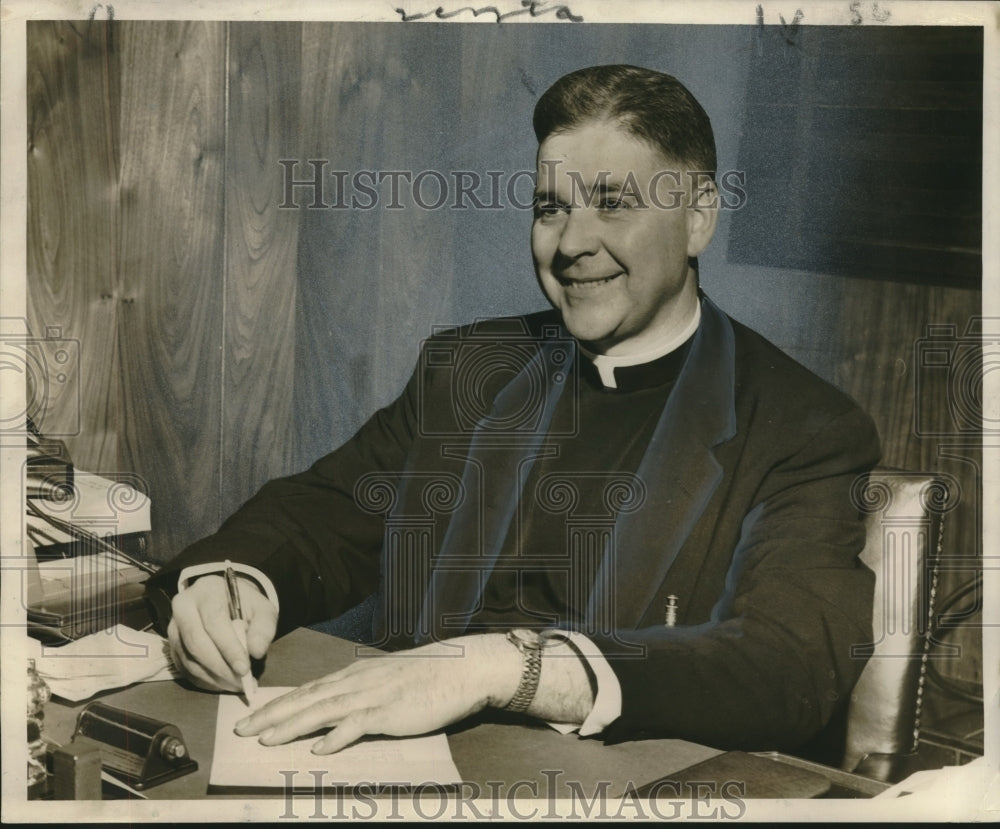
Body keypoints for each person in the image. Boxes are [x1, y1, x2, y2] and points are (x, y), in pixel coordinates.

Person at [146, 64, 880, 757]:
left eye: (613, 204)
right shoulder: (469, 369)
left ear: (697, 220)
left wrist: (504, 666)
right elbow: (324, 511)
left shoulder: (805, 429)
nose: (573, 243)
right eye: (550, 209)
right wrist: (227, 582)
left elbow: (787, 665)